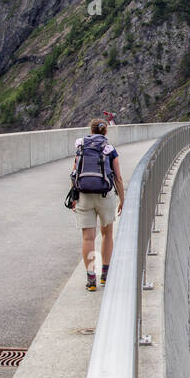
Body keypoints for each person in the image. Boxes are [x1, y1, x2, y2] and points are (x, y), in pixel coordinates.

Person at [72, 118, 125, 291]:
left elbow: (74, 172)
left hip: (84, 195)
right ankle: (105, 275)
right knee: (107, 233)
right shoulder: (109, 149)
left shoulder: (81, 147)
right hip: (105, 195)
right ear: (105, 132)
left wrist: (74, 196)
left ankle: (91, 279)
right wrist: (122, 199)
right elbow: (118, 177)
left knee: (88, 238)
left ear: (91, 130)